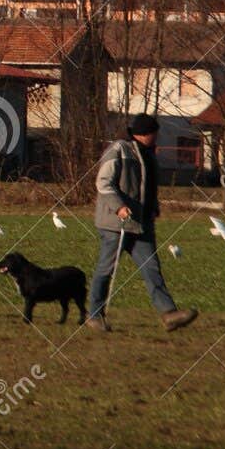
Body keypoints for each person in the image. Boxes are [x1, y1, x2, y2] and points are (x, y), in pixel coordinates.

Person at [87, 113, 198, 333]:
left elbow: (146, 186)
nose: (157, 137)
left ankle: (169, 314)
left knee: (152, 268)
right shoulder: (119, 150)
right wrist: (118, 206)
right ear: (145, 134)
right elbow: (103, 183)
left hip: (141, 224)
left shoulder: (149, 154)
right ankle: (94, 315)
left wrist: (153, 206)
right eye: (154, 133)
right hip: (116, 224)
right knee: (106, 269)